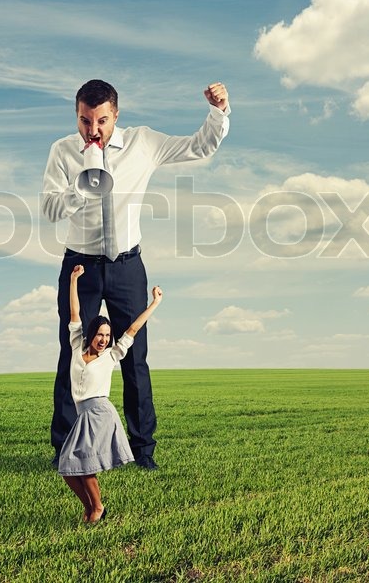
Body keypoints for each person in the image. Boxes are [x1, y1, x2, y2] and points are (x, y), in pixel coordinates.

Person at [42, 79, 230, 470]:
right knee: (74, 356)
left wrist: (218, 111)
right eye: (84, 121)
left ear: (116, 115)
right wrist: (83, 189)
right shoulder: (62, 152)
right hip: (82, 264)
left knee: (134, 359)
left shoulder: (143, 143)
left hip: (128, 266)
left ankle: (143, 453)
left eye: (102, 121)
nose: (92, 131)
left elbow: (200, 146)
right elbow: (49, 210)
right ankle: (67, 453)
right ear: (76, 115)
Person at [59, 264, 163, 522]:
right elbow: (74, 312)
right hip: (83, 414)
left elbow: (133, 330)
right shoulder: (76, 346)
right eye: (100, 334)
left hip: (100, 413)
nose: (104, 339)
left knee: (84, 466)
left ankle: (96, 509)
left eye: (107, 335)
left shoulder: (111, 356)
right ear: (92, 334)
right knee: (68, 469)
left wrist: (154, 303)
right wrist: (74, 280)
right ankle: (92, 507)